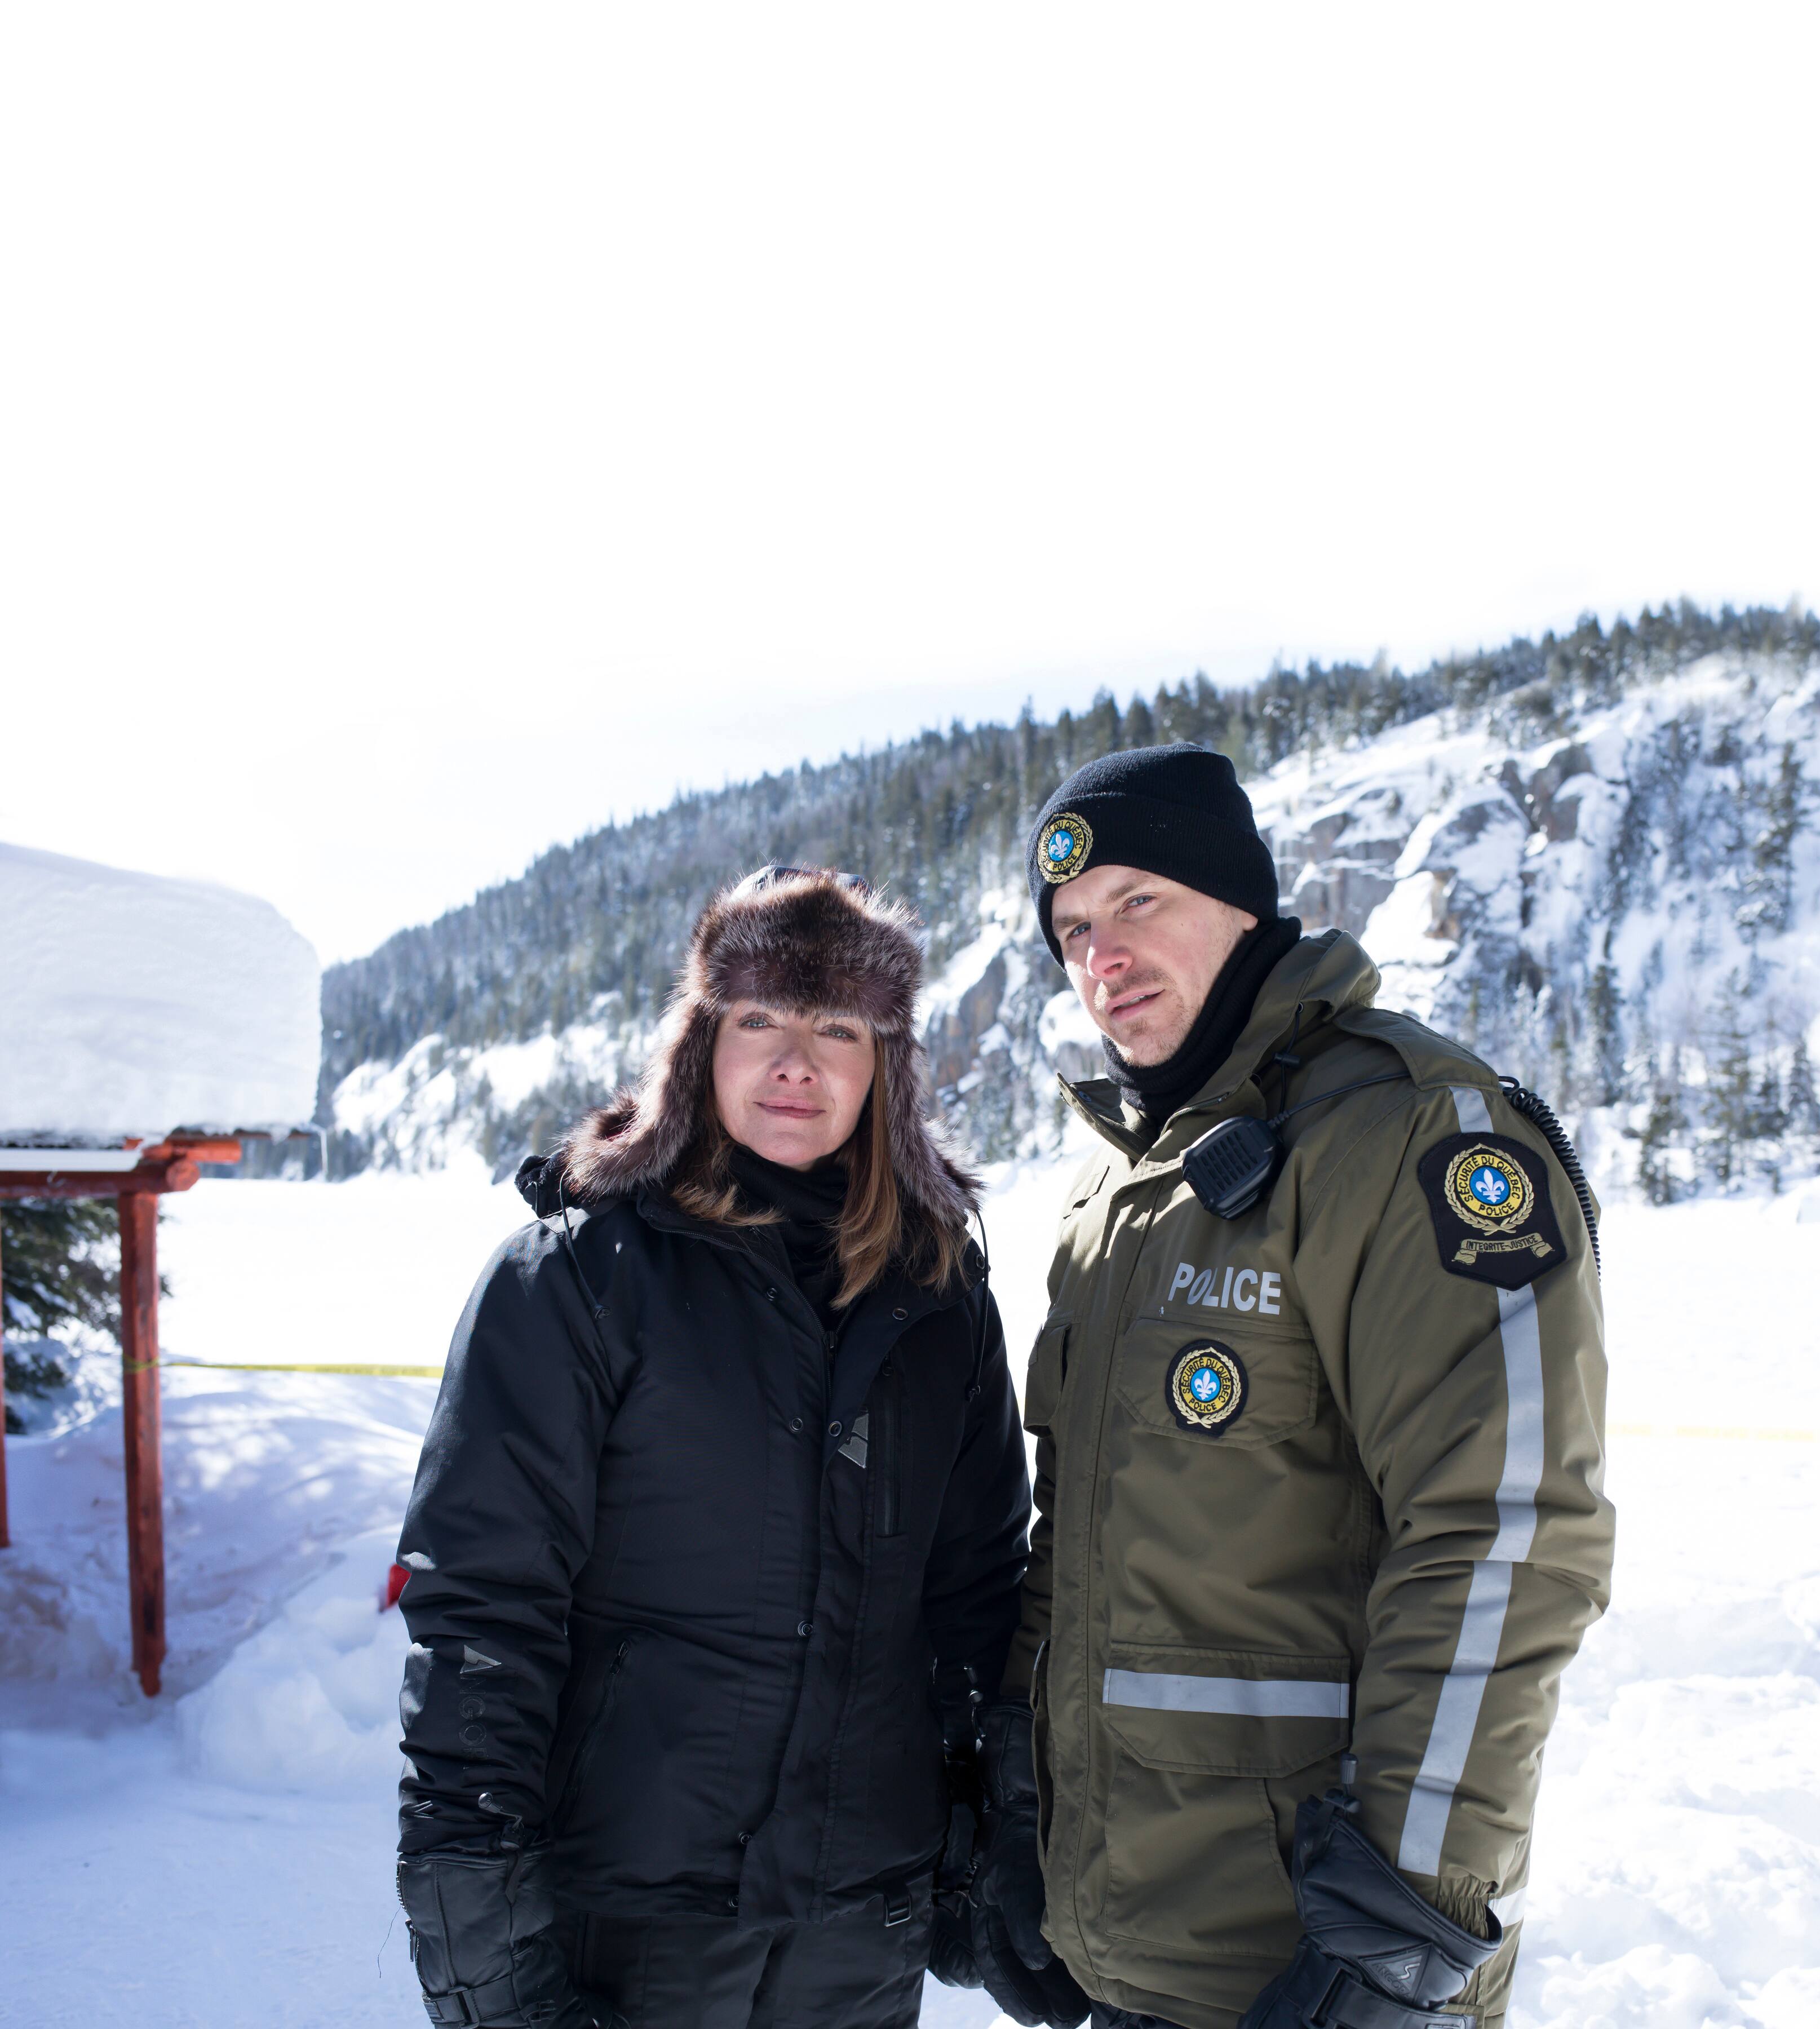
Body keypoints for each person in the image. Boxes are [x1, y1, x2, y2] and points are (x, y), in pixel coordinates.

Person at [968, 748, 1614, 2029]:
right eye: (1073, 930)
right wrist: (1024, 1802)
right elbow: (1077, 1541)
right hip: (1130, 1939)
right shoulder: (1120, 1186)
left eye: (1138, 900)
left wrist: (1400, 1935)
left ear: (1241, 903)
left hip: (1321, 1958)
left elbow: (1507, 1539)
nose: (1103, 956)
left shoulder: (1413, 1134)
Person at [393, 867, 1031, 2029]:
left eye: (839, 1029)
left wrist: (996, 1833)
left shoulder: (943, 1299)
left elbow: (978, 1598)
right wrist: (473, 1899)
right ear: (701, 1046)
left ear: (884, 1070)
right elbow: (485, 1607)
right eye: (761, 1020)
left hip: (862, 1926)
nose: (797, 1062)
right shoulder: (579, 1276)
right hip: (633, 1915)